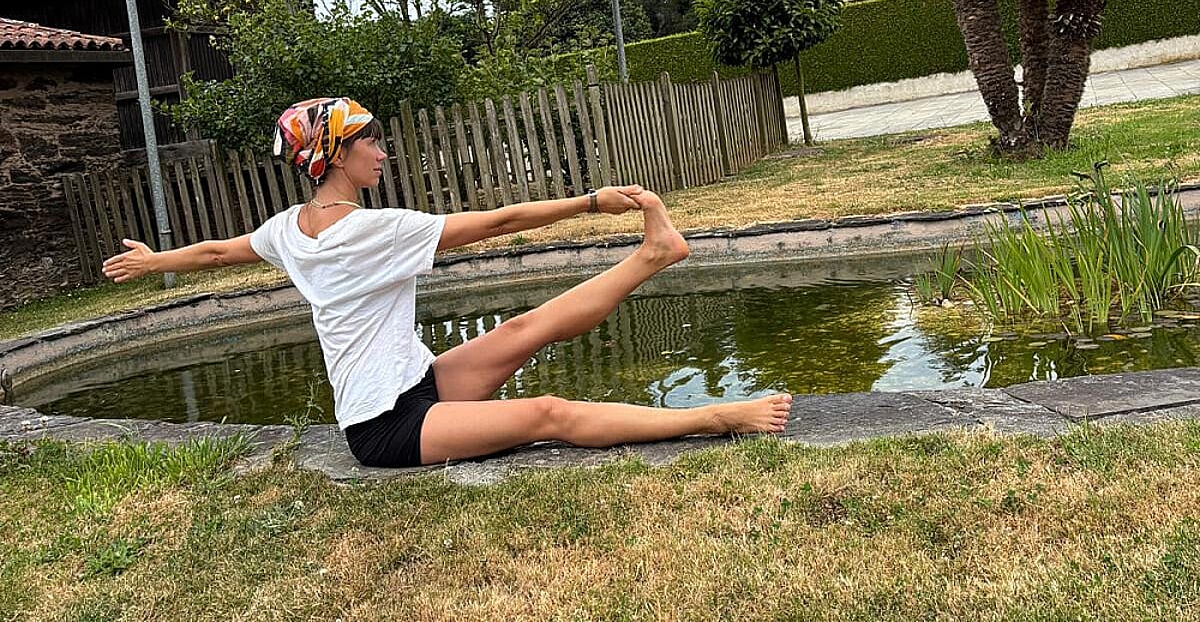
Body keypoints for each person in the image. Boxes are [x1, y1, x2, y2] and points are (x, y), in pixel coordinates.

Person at [102, 97, 793, 468]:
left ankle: (654, 254)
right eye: (370, 139)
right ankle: (718, 417)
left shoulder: (289, 227)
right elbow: (496, 222)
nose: (382, 148)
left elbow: (222, 253)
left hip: (417, 382)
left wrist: (153, 260)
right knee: (548, 412)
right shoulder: (374, 229)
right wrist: (588, 202)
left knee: (526, 328)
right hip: (385, 428)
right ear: (336, 154)